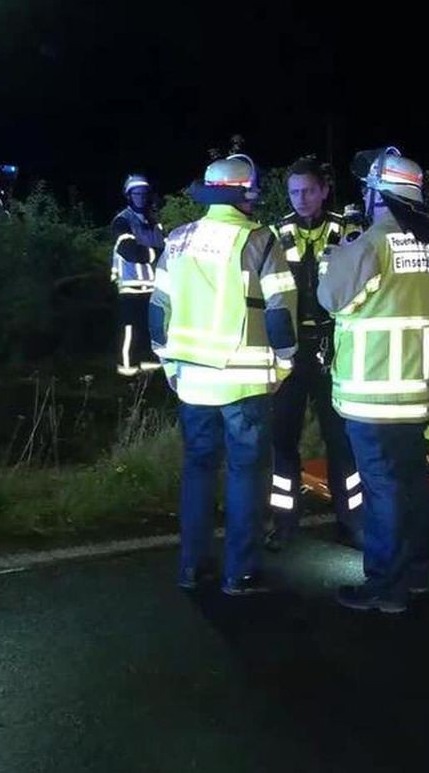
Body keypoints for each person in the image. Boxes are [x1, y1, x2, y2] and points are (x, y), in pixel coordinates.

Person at [150, 153, 297, 596]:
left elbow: (157, 312)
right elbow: (280, 313)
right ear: (243, 194)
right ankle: (240, 573)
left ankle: (191, 568)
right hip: (245, 382)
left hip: (192, 381)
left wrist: (170, 365)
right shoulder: (260, 241)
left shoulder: (177, 239)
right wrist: (284, 366)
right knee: (245, 475)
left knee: (198, 470)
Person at [319, 147, 429, 614]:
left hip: (371, 393)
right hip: (414, 392)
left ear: (380, 193)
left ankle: (384, 586)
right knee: (412, 484)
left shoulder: (373, 244)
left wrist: (336, 257)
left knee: (383, 491)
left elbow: (332, 298)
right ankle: (415, 575)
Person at [265, 155, 364, 549]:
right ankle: (284, 524)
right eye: (293, 192)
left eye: (307, 190)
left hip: (332, 347)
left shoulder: (350, 231)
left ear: (324, 190)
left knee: (341, 441)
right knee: (282, 441)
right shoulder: (274, 233)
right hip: (289, 352)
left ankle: (352, 521)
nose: (300, 198)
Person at [111, 173, 166, 378]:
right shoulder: (122, 221)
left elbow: (165, 247)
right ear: (129, 196)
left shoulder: (154, 223)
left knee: (150, 326)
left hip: (153, 285)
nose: (141, 197)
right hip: (130, 285)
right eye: (136, 193)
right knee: (129, 329)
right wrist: (157, 254)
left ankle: (149, 364)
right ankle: (127, 368)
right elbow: (129, 251)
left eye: (144, 193)